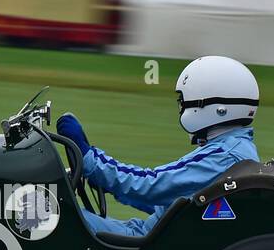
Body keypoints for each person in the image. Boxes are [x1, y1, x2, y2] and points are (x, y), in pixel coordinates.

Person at [56, 56, 260, 238]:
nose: (181, 108)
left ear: (218, 108)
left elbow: (149, 185)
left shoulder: (223, 156)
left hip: (151, 240)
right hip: (163, 234)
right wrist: (109, 184)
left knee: (50, 216)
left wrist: (90, 160)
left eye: (184, 102)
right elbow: (169, 199)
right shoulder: (235, 148)